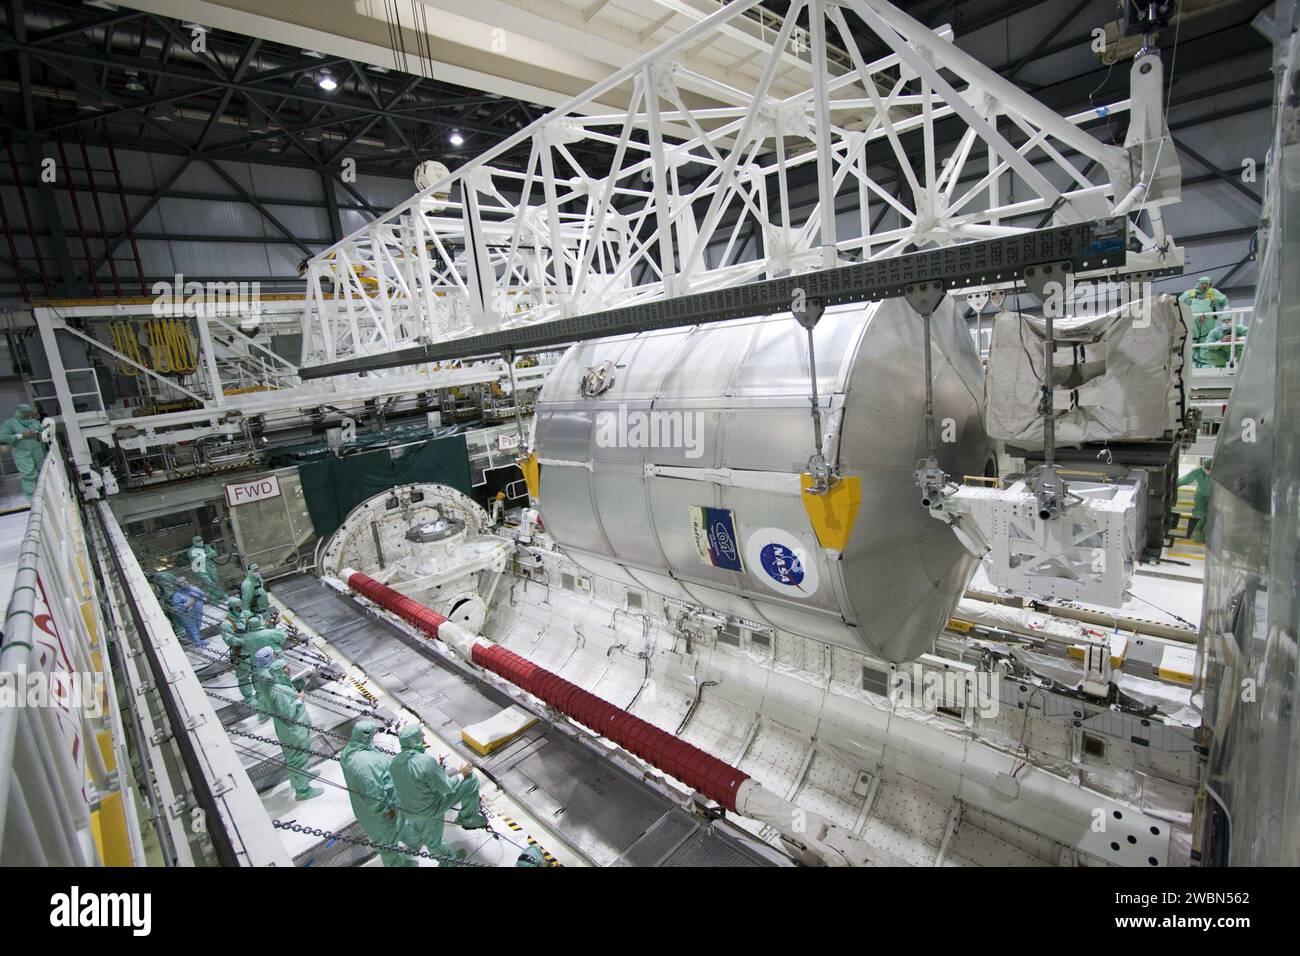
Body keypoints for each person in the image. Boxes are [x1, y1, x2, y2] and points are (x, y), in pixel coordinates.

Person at [390, 724, 487, 860]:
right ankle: (468, 821)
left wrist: (438, 770)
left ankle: (447, 858)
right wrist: (461, 774)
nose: (424, 735)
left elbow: (415, 782)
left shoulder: (395, 762)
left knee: (429, 837)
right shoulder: (426, 762)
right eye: (421, 734)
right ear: (415, 740)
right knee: (471, 780)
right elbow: (447, 787)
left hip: (410, 811)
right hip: (429, 810)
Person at [339, 720, 416, 867]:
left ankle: (411, 845)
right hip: (380, 814)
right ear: (365, 736)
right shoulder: (366, 762)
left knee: (395, 833)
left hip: (363, 808)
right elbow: (374, 791)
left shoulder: (349, 751)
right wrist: (388, 810)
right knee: (387, 845)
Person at [264, 658, 324, 801]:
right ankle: (302, 791)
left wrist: (305, 680)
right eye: (285, 668)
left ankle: (304, 776)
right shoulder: (279, 691)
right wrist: (299, 699)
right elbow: (288, 713)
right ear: (279, 672)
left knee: (302, 757)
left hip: (297, 729)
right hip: (293, 733)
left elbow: (291, 688)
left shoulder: (282, 685)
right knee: (297, 759)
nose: (288, 669)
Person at [1180, 276, 1230, 367]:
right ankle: (1192, 364)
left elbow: (1224, 301)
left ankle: (1206, 363)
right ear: (1198, 283)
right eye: (1202, 283)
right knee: (1192, 342)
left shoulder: (1213, 293)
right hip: (1192, 324)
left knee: (1206, 342)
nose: (1204, 285)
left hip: (1208, 323)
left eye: (1206, 284)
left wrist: (1226, 314)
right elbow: (1177, 305)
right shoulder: (1188, 294)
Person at [0, 403, 48, 497]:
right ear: (19, 412)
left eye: (29, 413)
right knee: (28, 474)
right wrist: (21, 435)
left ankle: (47, 494)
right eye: (26, 413)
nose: (28, 415)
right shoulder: (10, 423)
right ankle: (33, 497)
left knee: (43, 471)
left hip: (38, 452)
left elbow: (41, 429)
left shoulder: (33, 422)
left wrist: (44, 430)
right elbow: (3, 437)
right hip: (22, 454)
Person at [221, 597, 256, 709]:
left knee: (258, 674)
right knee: (243, 678)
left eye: (240, 605)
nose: (240, 608)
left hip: (254, 652)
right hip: (241, 654)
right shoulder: (227, 624)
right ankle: (249, 698)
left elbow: (257, 621)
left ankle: (260, 694)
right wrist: (244, 640)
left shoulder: (245, 614)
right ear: (231, 607)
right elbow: (229, 639)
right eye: (237, 606)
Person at [1177, 458, 1213, 544]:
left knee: (1211, 517)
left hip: (1214, 496)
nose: (1207, 471)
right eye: (1206, 469)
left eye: (1209, 470)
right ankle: (1198, 537)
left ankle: (1207, 538)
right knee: (1200, 513)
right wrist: (1175, 484)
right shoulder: (1198, 471)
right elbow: (1186, 479)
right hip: (1201, 495)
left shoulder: (1219, 474)